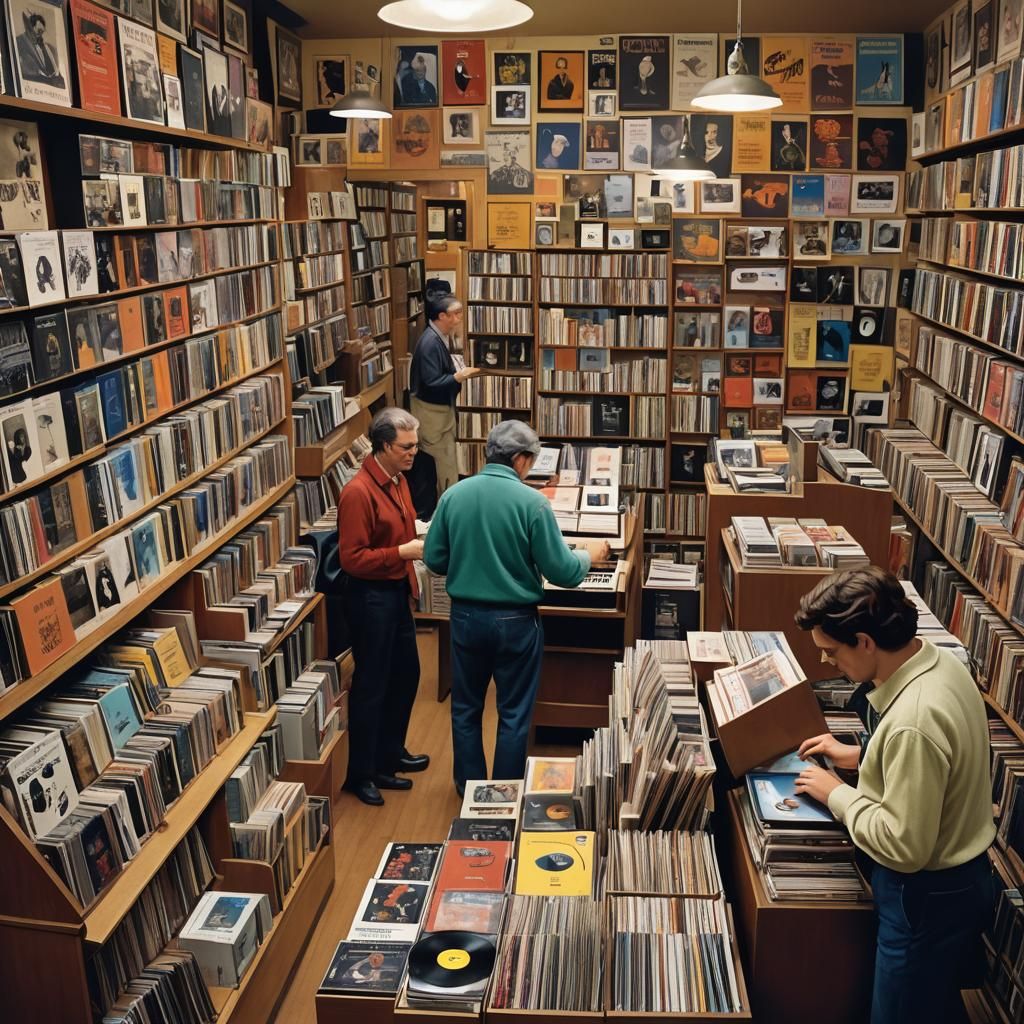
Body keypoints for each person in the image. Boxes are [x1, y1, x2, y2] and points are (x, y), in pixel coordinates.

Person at [792, 567, 996, 1024]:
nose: (826, 663)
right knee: (932, 1001)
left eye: (831, 651)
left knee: (901, 1011)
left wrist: (836, 795)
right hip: (962, 881)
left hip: (923, 894)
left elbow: (904, 846)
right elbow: (934, 766)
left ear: (865, 642)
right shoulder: (940, 661)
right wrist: (863, 755)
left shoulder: (912, 722)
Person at [423, 420, 611, 795]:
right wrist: (589, 556)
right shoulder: (534, 504)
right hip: (515, 621)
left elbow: (434, 559)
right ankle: (506, 792)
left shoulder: (454, 496)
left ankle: (471, 789)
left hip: (464, 617)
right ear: (522, 460)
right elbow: (563, 572)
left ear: (488, 453)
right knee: (513, 713)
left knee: (465, 709)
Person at [338, 408, 430, 807]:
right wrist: (402, 551)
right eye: (406, 447)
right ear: (383, 446)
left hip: (396, 592)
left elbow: (404, 527)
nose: (414, 452)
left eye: (415, 444)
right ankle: (363, 772)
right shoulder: (357, 493)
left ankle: (390, 755)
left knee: (406, 675)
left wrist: (415, 540)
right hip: (371, 598)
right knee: (372, 686)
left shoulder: (398, 479)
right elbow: (352, 559)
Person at [409, 296, 479, 495]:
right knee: (443, 466)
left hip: (438, 412)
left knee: (446, 462)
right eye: (455, 314)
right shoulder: (430, 342)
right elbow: (431, 382)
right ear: (442, 316)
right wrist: (458, 376)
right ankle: (447, 508)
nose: (459, 318)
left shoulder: (438, 336)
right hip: (432, 415)